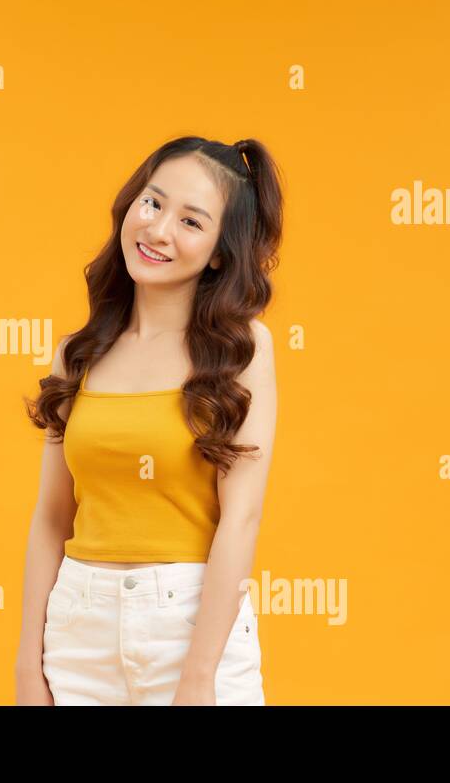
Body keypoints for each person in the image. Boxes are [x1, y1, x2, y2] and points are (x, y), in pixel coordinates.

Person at [16, 136, 283, 705]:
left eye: (191, 221)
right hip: (78, 630)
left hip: (190, 623)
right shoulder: (78, 354)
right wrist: (27, 668)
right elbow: (51, 517)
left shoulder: (242, 351)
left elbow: (242, 519)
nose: (159, 230)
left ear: (218, 252)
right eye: (152, 203)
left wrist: (199, 676)